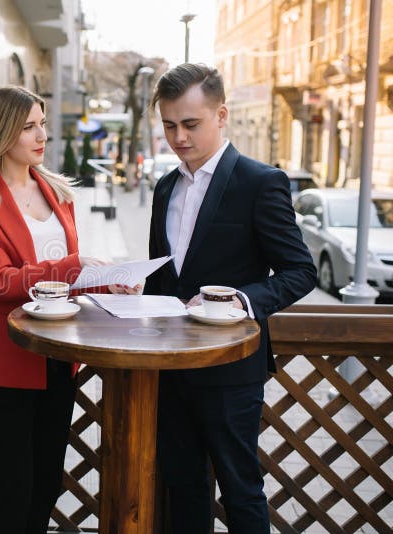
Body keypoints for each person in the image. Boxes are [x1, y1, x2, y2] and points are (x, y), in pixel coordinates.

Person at [0, 85, 135, 533]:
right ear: (2, 132)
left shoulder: (57, 190)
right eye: (29, 126)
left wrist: (111, 281)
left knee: (47, 484)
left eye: (42, 123)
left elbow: (70, 279)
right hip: (8, 358)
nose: (41, 134)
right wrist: (72, 265)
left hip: (58, 357)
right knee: (14, 488)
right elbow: (0, 280)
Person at [144, 64, 316, 533]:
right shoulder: (165, 187)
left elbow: (301, 271)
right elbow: (165, 278)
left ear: (221, 115)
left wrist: (237, 301)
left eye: (190, 124)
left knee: (241, 489)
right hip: (169, 366)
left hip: (231, 369)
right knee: (182, 486)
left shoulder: (261, 182)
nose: (178, 137)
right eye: (169, 125)